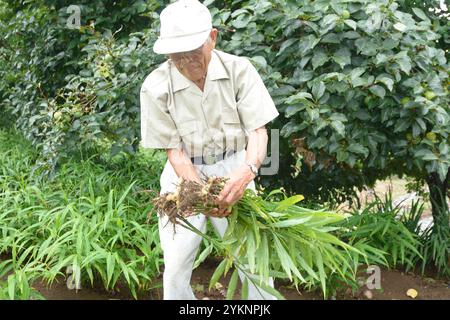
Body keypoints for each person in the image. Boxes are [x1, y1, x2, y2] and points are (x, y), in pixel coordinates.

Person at [140, 0, 279, 300]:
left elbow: (258, 131)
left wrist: (246, 173)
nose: (187, 64)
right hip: (183, 175)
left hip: (235, 167)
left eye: (194, 53)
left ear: (212, 38)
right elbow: (174, 150)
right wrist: (200, 192)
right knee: (176, 263)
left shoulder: (239, 71)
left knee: (253, 260)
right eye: (177, 56)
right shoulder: (155, 86)